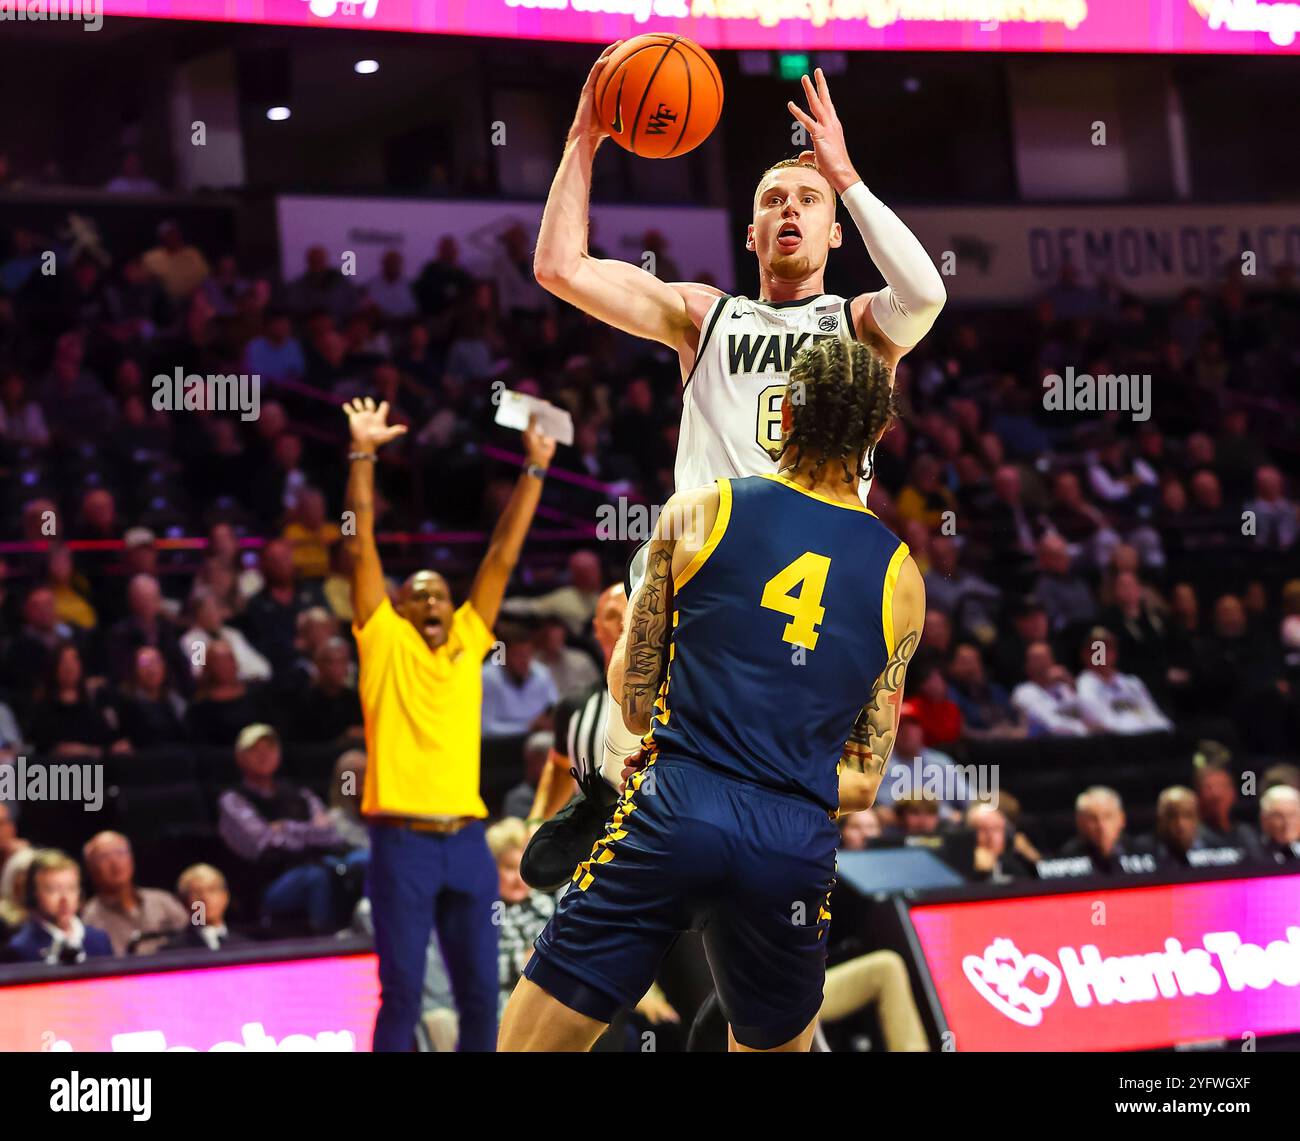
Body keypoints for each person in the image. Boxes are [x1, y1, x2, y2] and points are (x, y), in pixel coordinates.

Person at [533, 43, 943, 835]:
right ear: (751, 235)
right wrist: (584, 135)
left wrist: (846, 176)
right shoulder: (703, 314)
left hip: (811, 573)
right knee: (634, 651)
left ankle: (658, 813)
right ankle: (609, 786)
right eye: (771, 200)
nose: (789, 208)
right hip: (708, 553)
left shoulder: (862, 325)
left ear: (834, 234)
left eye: (806, 200)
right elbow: (559, 266)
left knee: (777, 778)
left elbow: (925, 290)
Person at [499, 336, 925, 1053]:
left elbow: (631, 704)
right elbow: (861, 784)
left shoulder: (702, 510)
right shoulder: (900, 577)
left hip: (678, 806)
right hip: (793, 844)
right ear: (882, 431)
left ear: (782, 412)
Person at [344, 395, 556, 1053]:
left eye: (440, 591)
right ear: (401, 608)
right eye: (419, 593)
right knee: (402, 993)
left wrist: (535, 469)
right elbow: (360, 544)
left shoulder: (469, 633)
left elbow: (500, 554)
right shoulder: (383, 638)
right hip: (401, 840)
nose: (433, 599)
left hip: (467, 839)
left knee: (478, 998)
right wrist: (362, 455)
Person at [217, 724, 360, 933]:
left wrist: (285, 827)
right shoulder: (233, 800)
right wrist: (310, 833)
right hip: (268, 884)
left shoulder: (300, 794)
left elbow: (332, 834)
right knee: (315, 876)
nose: (264, 755)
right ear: (240, 757)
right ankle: (326, 944)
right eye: (255, 750)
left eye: (270, 748)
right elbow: (262, 843)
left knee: (361, 861)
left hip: (320, 864)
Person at [80, 831, 189, 955]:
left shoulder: (162, 901)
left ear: (131, 858)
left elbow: (193, 939)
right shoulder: (90, 919)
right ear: (90, 868)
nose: (115, 862)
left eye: (120, 852)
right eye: (104, 856)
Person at [6, 850, 113, 964]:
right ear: (33, 895)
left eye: (71, 888)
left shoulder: (99, 940)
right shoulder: (22, 948)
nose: (65, 899)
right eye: (53, 890)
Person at [163, 864, 251, 951]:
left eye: (212, 890)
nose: (205, 898)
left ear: (225, 896)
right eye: (197, 892)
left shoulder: (247, 945)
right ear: (184, 901)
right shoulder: (174, 950)